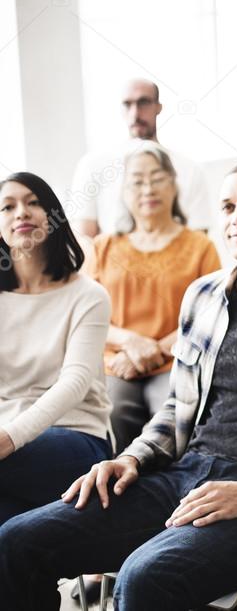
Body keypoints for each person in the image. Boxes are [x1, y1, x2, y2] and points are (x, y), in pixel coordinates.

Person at [0, 161, 237, 609]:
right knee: (17, 541)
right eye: (229, 206)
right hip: (184, 475)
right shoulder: (202, 297)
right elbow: (178, 406)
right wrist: (131, 457)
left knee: (143, 578)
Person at [84, 141, 221, 451]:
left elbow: (211, 315)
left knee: (172, 418)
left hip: (178, 361)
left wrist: (153, 351)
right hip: (117, 363)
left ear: (173, 185)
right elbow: (87, 317)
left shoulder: (200, 246)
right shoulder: (104, 247)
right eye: (137, 181)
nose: (148, 189)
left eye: (157, 178)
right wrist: (131, 344)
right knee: (113, 413)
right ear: (124, 192)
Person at [0, 172, 112, 526]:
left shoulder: (87, 295)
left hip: (77, 438)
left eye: (34, 202)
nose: (22, 212)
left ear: (54, 216)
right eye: (8, 206)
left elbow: (74, 382)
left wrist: (8, 438)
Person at [70, 78, 212, 237]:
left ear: (158, 107)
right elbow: (84, 241)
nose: (135, 113)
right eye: (127, 104)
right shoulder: (92, 165)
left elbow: (199, 241)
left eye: (143, 102)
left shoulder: (190, 169)